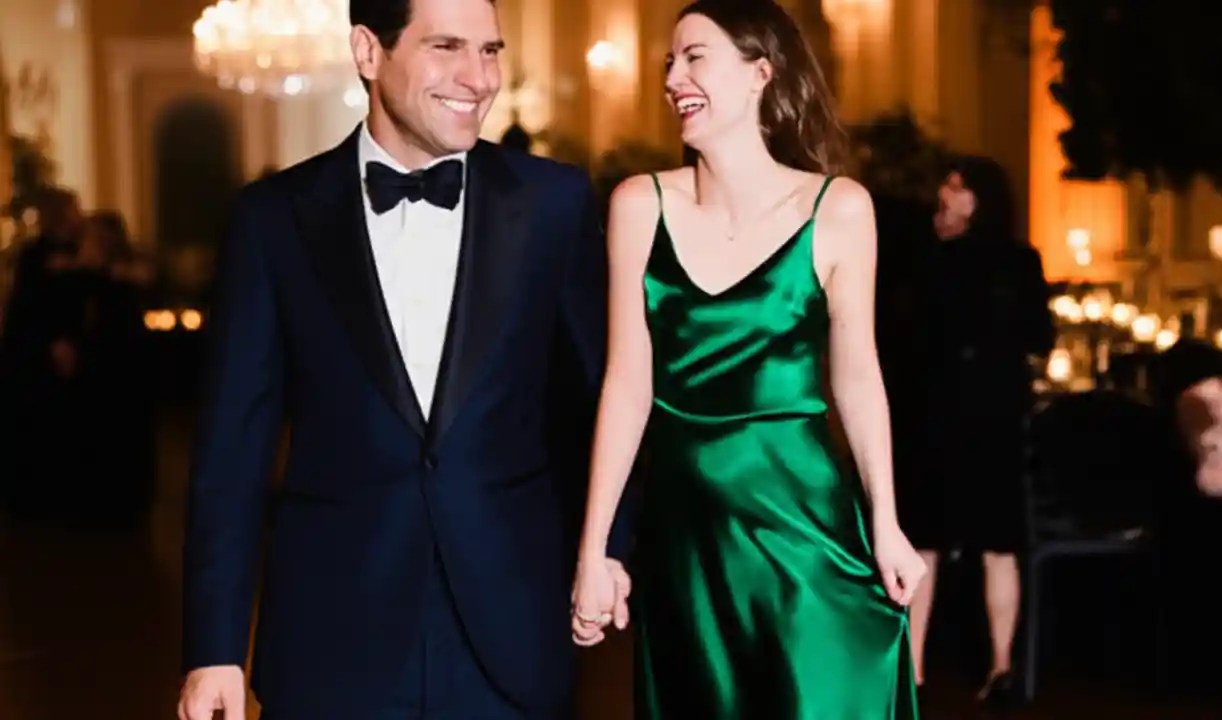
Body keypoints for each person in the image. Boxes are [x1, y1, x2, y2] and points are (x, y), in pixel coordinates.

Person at [177, 0, 628, 718]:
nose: (478, 78)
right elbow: (232, 453)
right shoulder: (274, 218)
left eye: (490, 51)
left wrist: (610, 549)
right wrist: (215, 648)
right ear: (367, 51)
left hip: (514, 636)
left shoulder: (554, 203)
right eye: (447, 47)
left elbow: (607, 399)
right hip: (333, 641)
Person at [569, 1, 926, 717]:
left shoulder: (840, 208)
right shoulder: (640, 204)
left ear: (760, 72)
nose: (673, 76)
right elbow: (627, 383)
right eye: (669, 61)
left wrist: (886, 520)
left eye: (694, 56)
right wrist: (594, 549)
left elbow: (859, 377)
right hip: (685, 551)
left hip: (807, 537)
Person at [900, 156, 1054, 705]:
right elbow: (1040, 336)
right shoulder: (1018, 261)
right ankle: (1002, 666)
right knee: (997, 545)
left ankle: (913, 665)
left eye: (957, 187)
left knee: (925, 542)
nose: (945, 193)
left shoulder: (934, 261)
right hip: (993, 417)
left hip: (937, 416)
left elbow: (911, 337)